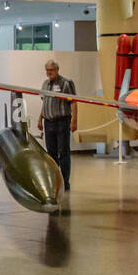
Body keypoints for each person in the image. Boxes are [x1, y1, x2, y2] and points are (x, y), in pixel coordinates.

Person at [38, 60, 77, 191]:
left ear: (57, 69)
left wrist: (74, 121)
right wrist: (40, 119)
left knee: (63, 152)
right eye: (47, 70)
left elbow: (73, 103)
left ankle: (65, 181)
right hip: (48, 123)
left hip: (62, 122)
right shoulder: (45, 84)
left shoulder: (66, 83)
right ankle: (54, 180)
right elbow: (45, 104)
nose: (49, 73)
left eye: (51, 70)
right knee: (51, 153)